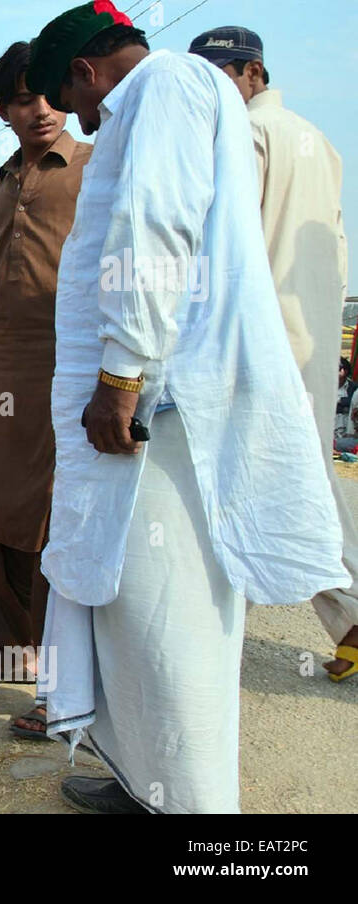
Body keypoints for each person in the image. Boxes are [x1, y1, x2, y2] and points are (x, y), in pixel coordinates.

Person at [25, 3, 344, 814]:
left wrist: (122, 376)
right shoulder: (178, 91)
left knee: (176, 628)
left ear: (88, 72)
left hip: (167, 414)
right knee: (134, 611)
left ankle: (195, 812)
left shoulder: (164, 85)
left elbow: (154, 227)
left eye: (73, 99)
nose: (80, 119)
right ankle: (144, 780)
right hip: (154, 405)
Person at [190, 26, 358, 685]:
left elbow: (232, 250)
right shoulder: (322, 142)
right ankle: (346, 616)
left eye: (219, 78)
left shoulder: (246, 136)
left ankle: (210, 639)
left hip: (259, 343)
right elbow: (337, 252)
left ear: (252, 72)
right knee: (304, 481)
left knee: (238, 489)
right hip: (312, 339)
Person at [0, 41, 93, 742]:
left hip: (65, 371)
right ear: (2, 108)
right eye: (25, 100)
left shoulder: (93, 169)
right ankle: (12, 655)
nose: (42, 112)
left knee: (49, 523)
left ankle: (62, 686)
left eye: (51, 96)